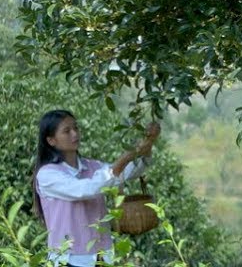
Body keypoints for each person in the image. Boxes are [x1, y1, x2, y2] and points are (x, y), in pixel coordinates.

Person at [33, 109, 161, 266]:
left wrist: (148, 143)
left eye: (76, 128)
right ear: (51, 141)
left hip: (102, 257)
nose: (75, 134)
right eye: (67, 131)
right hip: (69, 259)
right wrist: (126, 157)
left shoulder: (93, 166)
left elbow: (127, 173)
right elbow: (86, 189)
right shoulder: (48, 174)